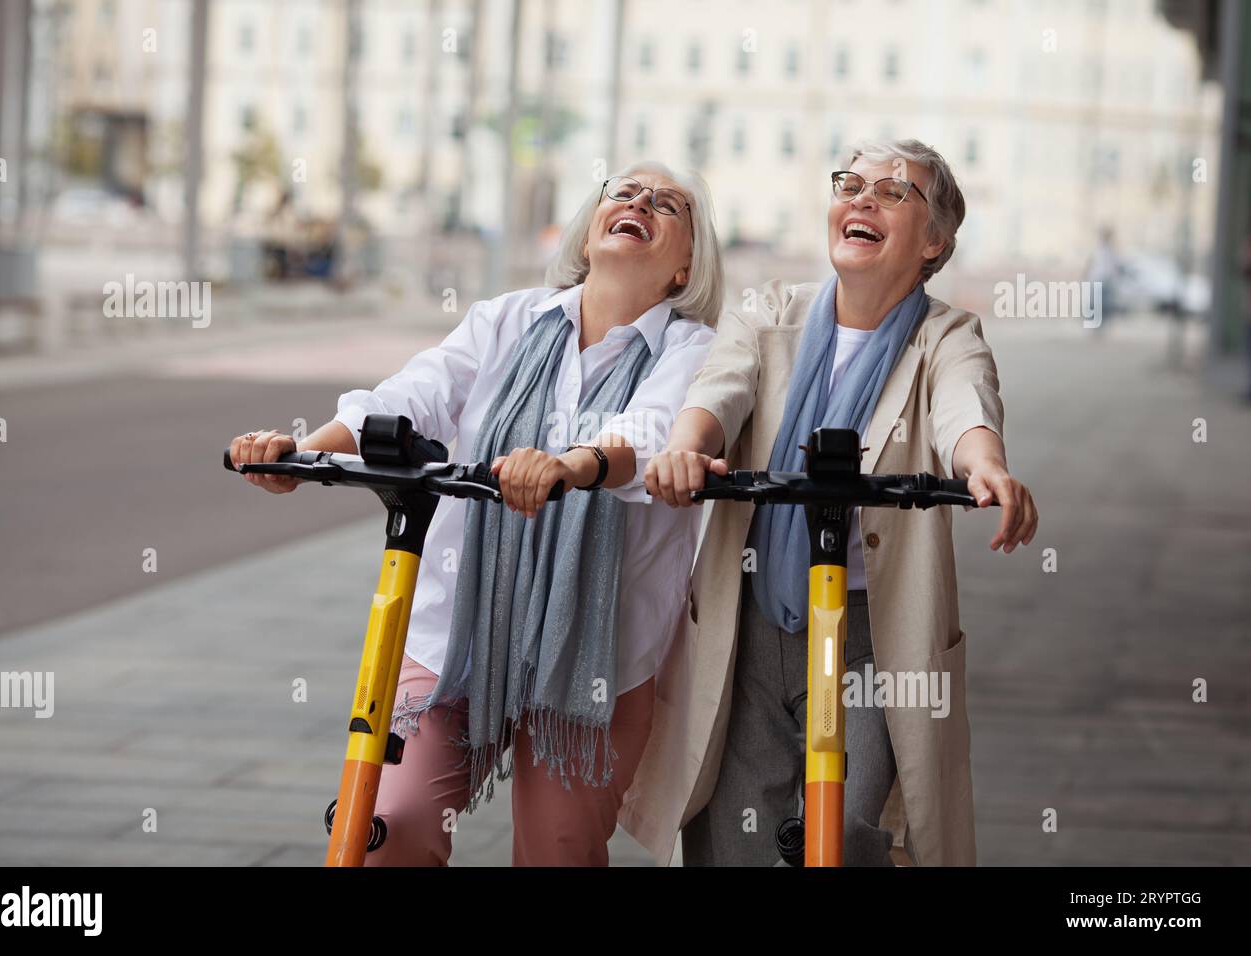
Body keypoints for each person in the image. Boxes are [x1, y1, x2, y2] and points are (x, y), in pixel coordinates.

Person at [228, 162, 723, 866]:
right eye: (622, 192)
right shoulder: (506, 320)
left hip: (594, 656)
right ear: (587, 235)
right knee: (386, 829)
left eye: (668, 205)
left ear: (685, 269)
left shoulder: (693, 350)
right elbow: (414, 394)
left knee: (558, 853)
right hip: (458, 633)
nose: (639, 202)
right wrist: (302, 456)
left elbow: (652, 434)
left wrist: (572, 464)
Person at [622, 139, 1039, 866]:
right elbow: (719, 390)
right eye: (850, 184)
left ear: (934, 240)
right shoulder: (771, 312)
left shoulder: (946, 334)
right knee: (731, 840)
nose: (862, 198)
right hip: (751, 625)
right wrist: (688, 446)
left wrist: (986, 466)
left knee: (845, 832)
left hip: (874, 638)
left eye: (893, 191)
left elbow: (963, 402)